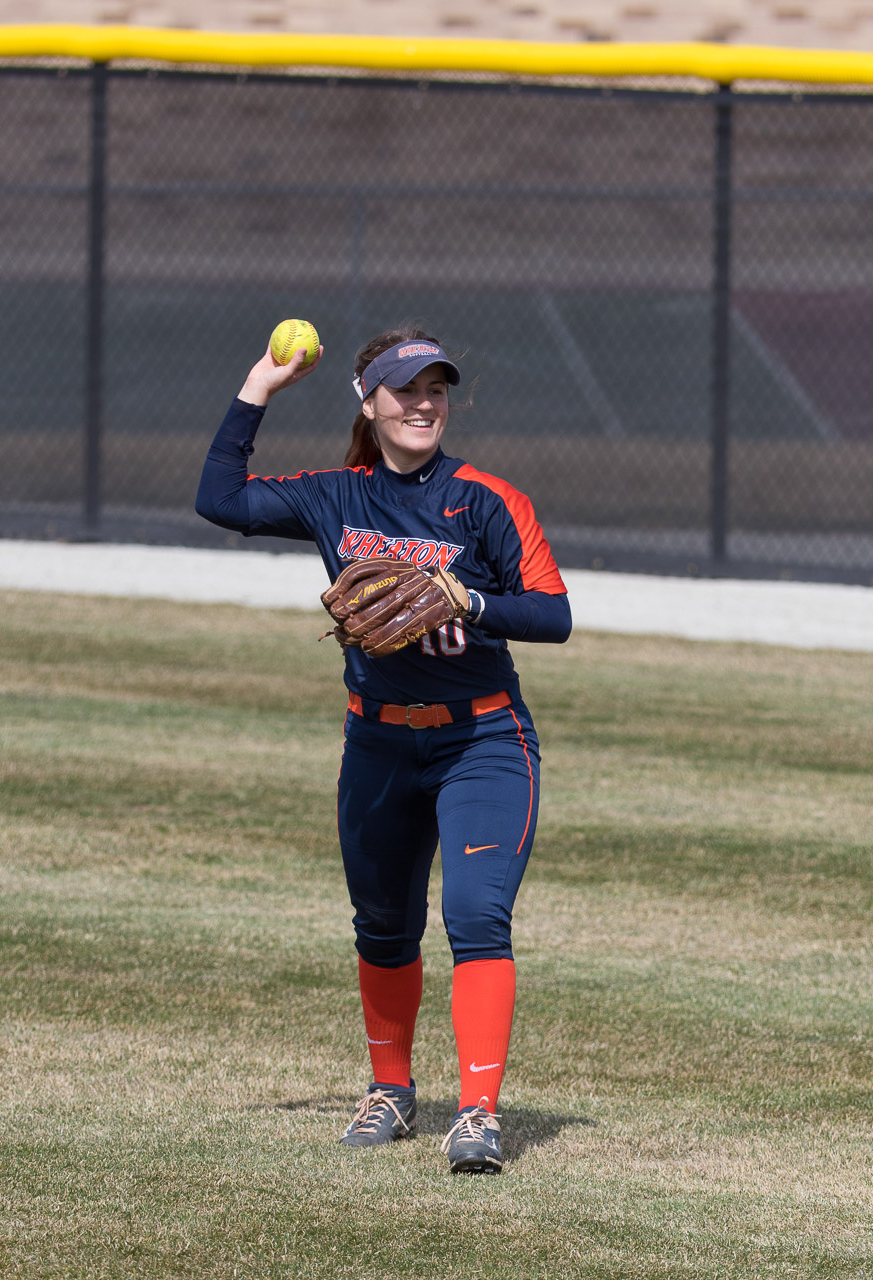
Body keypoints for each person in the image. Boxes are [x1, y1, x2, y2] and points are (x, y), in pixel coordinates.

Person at [195, 325, 571, 1174]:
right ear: (370, 403)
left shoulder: (485, 502)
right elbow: (220, 500)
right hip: (376, 741)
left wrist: (467, 601)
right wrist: (259, 385)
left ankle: (476, 1113)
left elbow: (552, 613)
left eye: (436, 389)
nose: (424, 403)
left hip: (481, 739)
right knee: (383, 924)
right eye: (405, 390)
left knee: (476, 916)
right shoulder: (338, 496)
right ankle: (391, 1092)